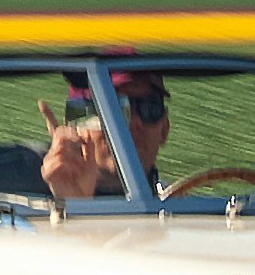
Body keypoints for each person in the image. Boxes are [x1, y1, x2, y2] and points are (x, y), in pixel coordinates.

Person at [39, 69, 172, 198]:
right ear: (74, 126)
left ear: (164, 129)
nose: (133, 122)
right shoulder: (28, 205)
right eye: (113, 109)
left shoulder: (179, 210)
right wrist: (72, 204)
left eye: (149, 109)